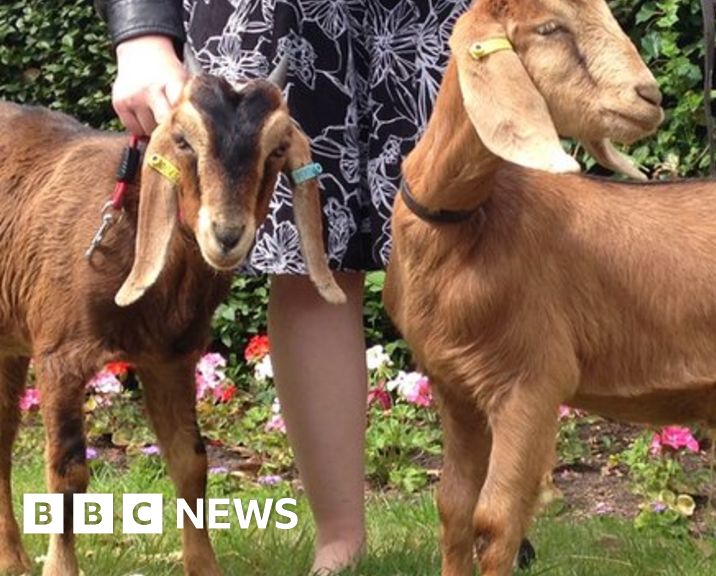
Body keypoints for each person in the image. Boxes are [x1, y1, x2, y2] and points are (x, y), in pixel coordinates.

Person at [95, 0, 468, 572]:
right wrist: (140, 29)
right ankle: (339, 539)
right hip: (275, 12)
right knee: (302, 259)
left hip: (439, 15)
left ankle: (487, 515)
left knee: (469, 237)